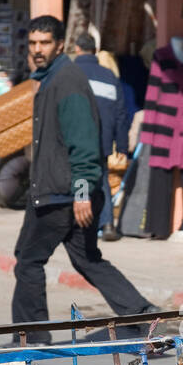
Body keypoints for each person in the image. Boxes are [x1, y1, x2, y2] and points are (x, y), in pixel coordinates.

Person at [9, 15, 154, 344]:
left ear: (60, 44)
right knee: (87, 259)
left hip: (60, 194)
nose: (38, 49)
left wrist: (81, 192)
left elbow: (84, 143)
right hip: (62, 190)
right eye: (33, 43)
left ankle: (32, 338)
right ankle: (143, 313)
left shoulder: (67, 82)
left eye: (44, 43)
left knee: (28, 260)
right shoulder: (51, 79)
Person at [69, 32, 131, 239]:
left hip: (75, 138)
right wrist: (122, 145)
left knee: (80, 177)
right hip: (102, 140)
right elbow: (121, 114)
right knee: (102, 179)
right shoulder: (109, 76)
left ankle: (80, 223)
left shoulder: (69, 73)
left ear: (77, 49)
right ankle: (107, 225)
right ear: (95, 51)